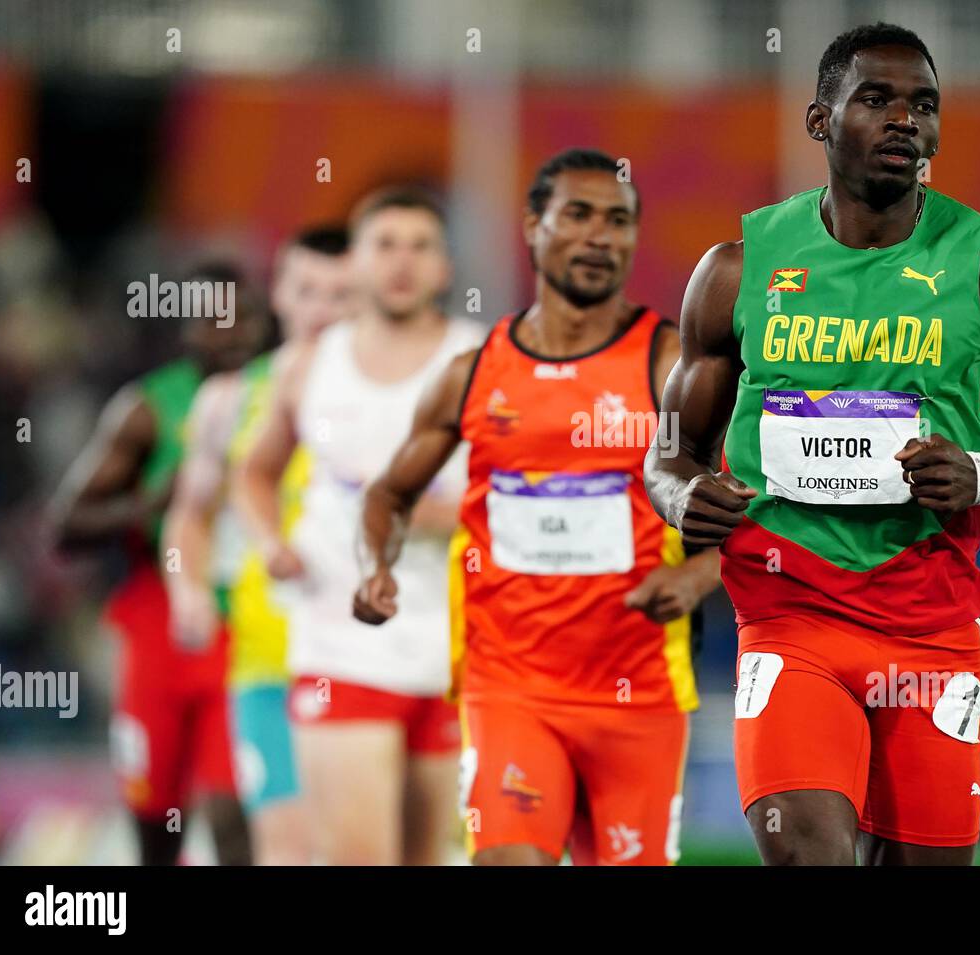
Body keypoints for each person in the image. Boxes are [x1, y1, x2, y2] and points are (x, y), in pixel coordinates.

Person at [643, 23, 980, 866]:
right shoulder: (737, 269)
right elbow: (668, 450)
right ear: (821, 120)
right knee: (805, 852)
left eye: (923, 105)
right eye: (878, 99)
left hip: (930, 626)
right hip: (791, 616)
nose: (906, 121)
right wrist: (681, 494)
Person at [354, 149, 722, 866]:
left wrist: (698, 574)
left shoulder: (669, 363)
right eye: (577, 215)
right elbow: (387, 493)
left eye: (618, 221)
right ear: (532, 226)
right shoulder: (474, 372)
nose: (599, 237)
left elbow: (751, 491)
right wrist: (378, 566)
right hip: (510, 685)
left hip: (639, 688)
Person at [234, 189, 481, 865]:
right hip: (340, 644)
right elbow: (254, 472)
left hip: (457, 648)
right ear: (359, 263)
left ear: (445, 267)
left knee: (426, 858)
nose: (402, 262)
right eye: (385, 244)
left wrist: (447, 517)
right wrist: (270, 542)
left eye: (420, 245)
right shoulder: (308, 365)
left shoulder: (483, 362)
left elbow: (526, 487)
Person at [50, 263, 269, 865]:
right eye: (213, 320)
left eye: (243, 318)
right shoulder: (149, 408)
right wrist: (150, 503)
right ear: (185, 327)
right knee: (155, 817)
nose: (230, 334)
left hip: (248, 626)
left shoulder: (284, 397)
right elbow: (64, 526)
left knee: (233, 808)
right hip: (159, 627)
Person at [162, 227, 354, 864]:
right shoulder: (230, 400)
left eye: (341, 294)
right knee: (284, 850)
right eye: (307, 291)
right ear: (278, 296)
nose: (322, 309)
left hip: (375, 662)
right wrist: (186, 588)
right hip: (268, 665)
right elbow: (190, 515)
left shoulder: (403, 397)